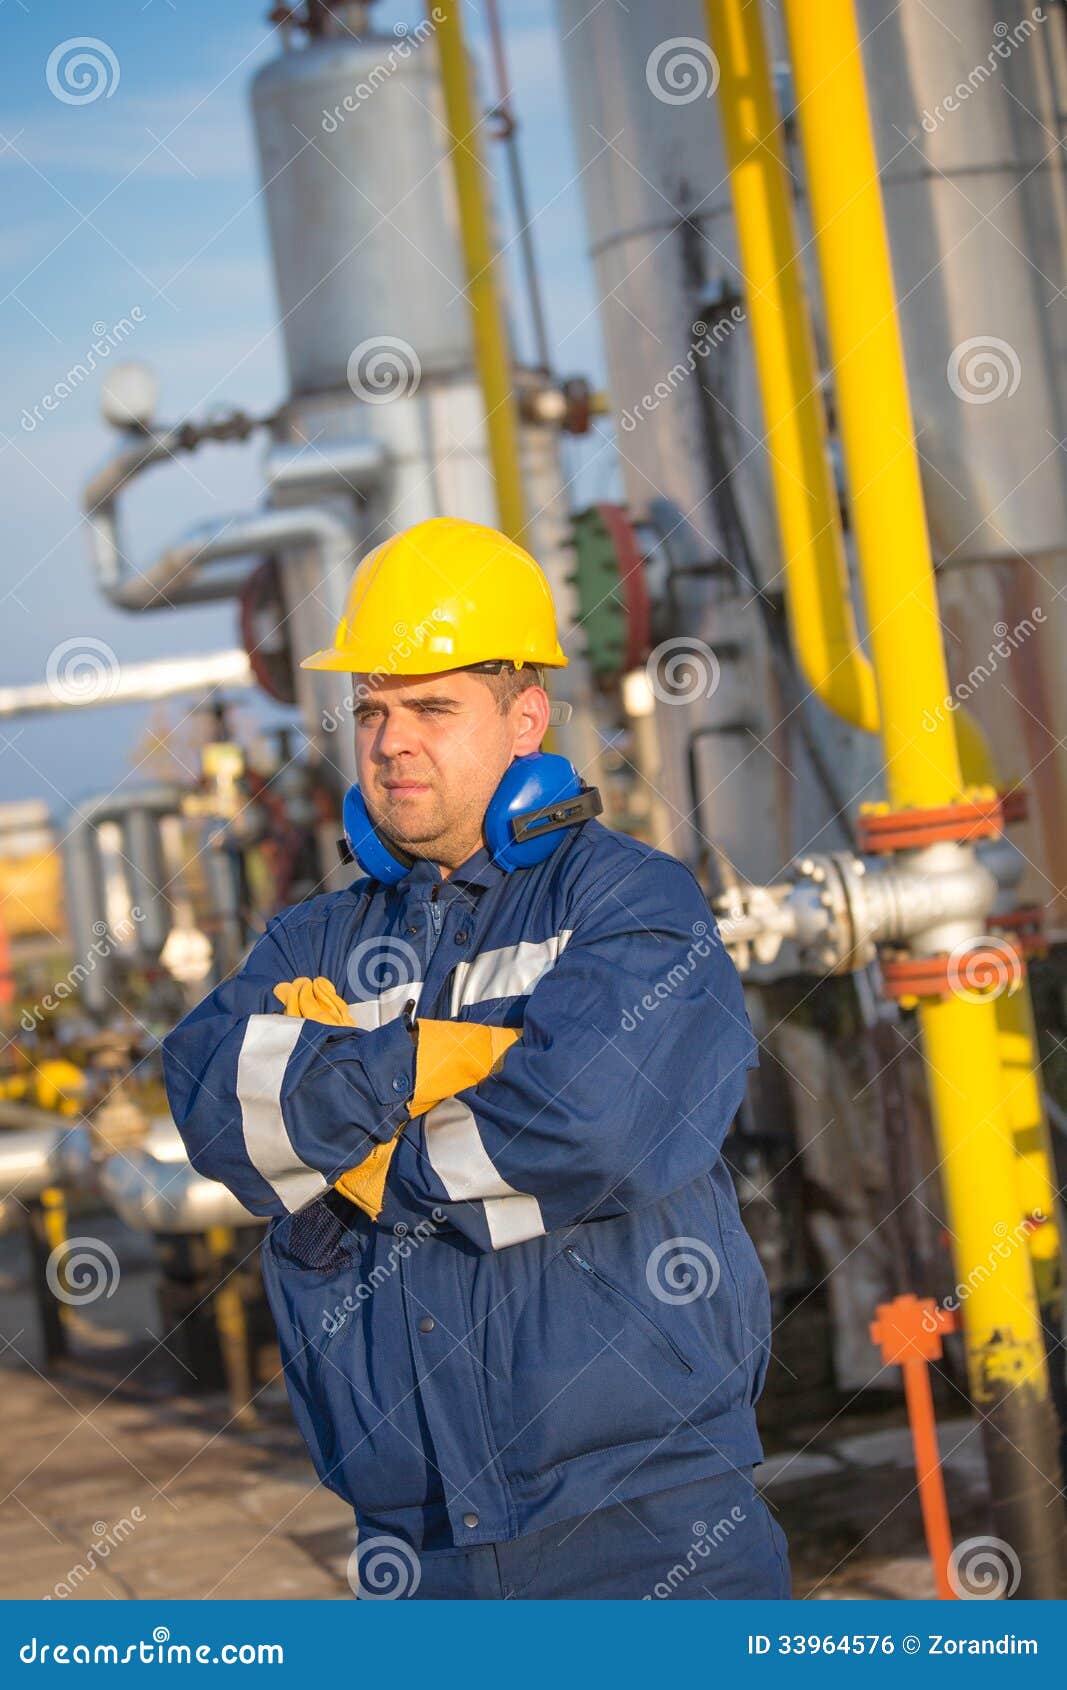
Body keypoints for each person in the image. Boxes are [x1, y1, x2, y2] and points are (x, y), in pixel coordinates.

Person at [162, 515, 790, 1600]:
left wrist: (351, 1161)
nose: (389, 739)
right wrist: (426, 1063)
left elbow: (586, 1126)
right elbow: (211, 1103)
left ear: (524, 719)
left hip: (645, 1520)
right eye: (370, 709)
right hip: (416, 1543)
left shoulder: (628, 901)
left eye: (430, 707)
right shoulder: (315, 938)